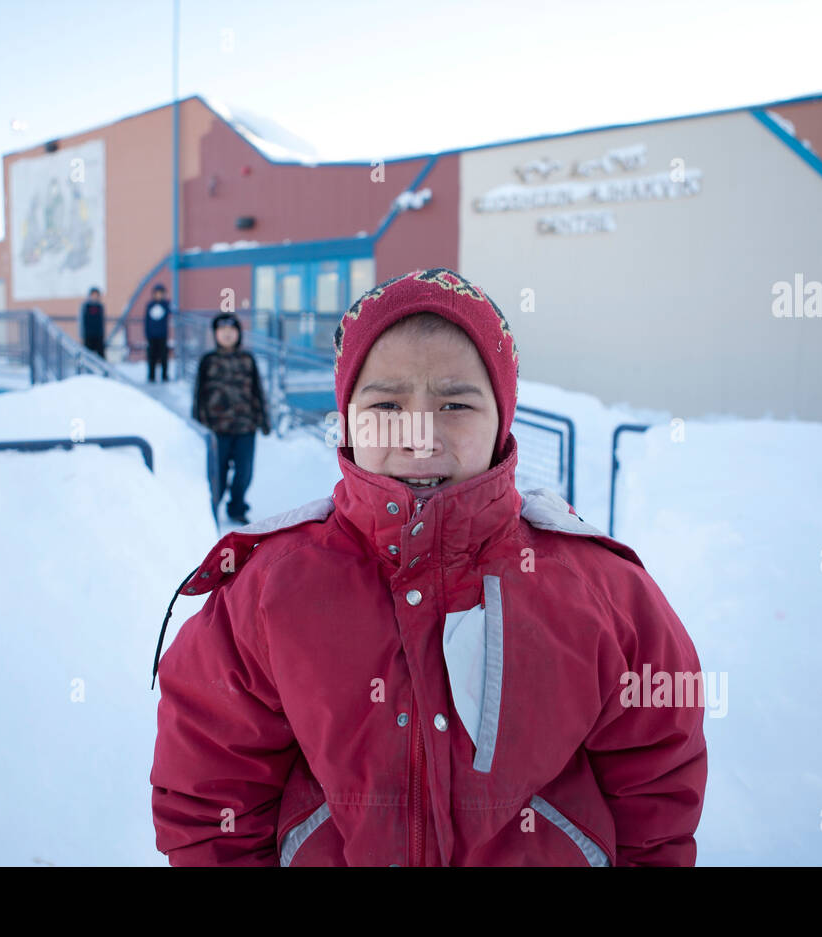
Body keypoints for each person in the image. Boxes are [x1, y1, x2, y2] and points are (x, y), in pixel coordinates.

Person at [150, 268, 707, 866]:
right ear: (347, 417)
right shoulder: (266, 593)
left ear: (503, 418)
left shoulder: (604, 593)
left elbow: (657, 798)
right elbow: (210, 802)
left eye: (455, 403)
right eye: (387, 403)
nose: (420, 437)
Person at [191, 312, 271, 525]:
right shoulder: (208, 361)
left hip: (246, 426)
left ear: (238, 334)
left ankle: (237, 507)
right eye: (222, 330)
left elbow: (257, 390)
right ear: (215, 334)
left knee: (244, 473)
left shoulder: (247, 359)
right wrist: (196, 423)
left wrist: (264, 419)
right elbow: (199, 394)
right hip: (217, 428)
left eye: (232, 330)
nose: (227, 335)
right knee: (217, 472)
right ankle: (212, 508)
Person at [145, 284, 173, 382]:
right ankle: (151, 376)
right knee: (151, 357)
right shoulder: (150, 305)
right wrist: (147, 334)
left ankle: (164, 376)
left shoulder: (165, 305)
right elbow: (147, 321)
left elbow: (171, 311)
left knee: (164, 357)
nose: (159, 295)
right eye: (157, 294)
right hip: (152, 336)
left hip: (162, 335)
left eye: (161, 294)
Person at [80, 287, 106, 358]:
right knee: (88, 356)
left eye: (96, 295)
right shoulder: (86, 307)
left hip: (98, 335)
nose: (95, 297)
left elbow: (102, 322)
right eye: (93, 295)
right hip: (88, 335)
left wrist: (102, 334)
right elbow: (81, 322)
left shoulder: (100, 307)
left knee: (101, 356)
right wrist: (82, 335)